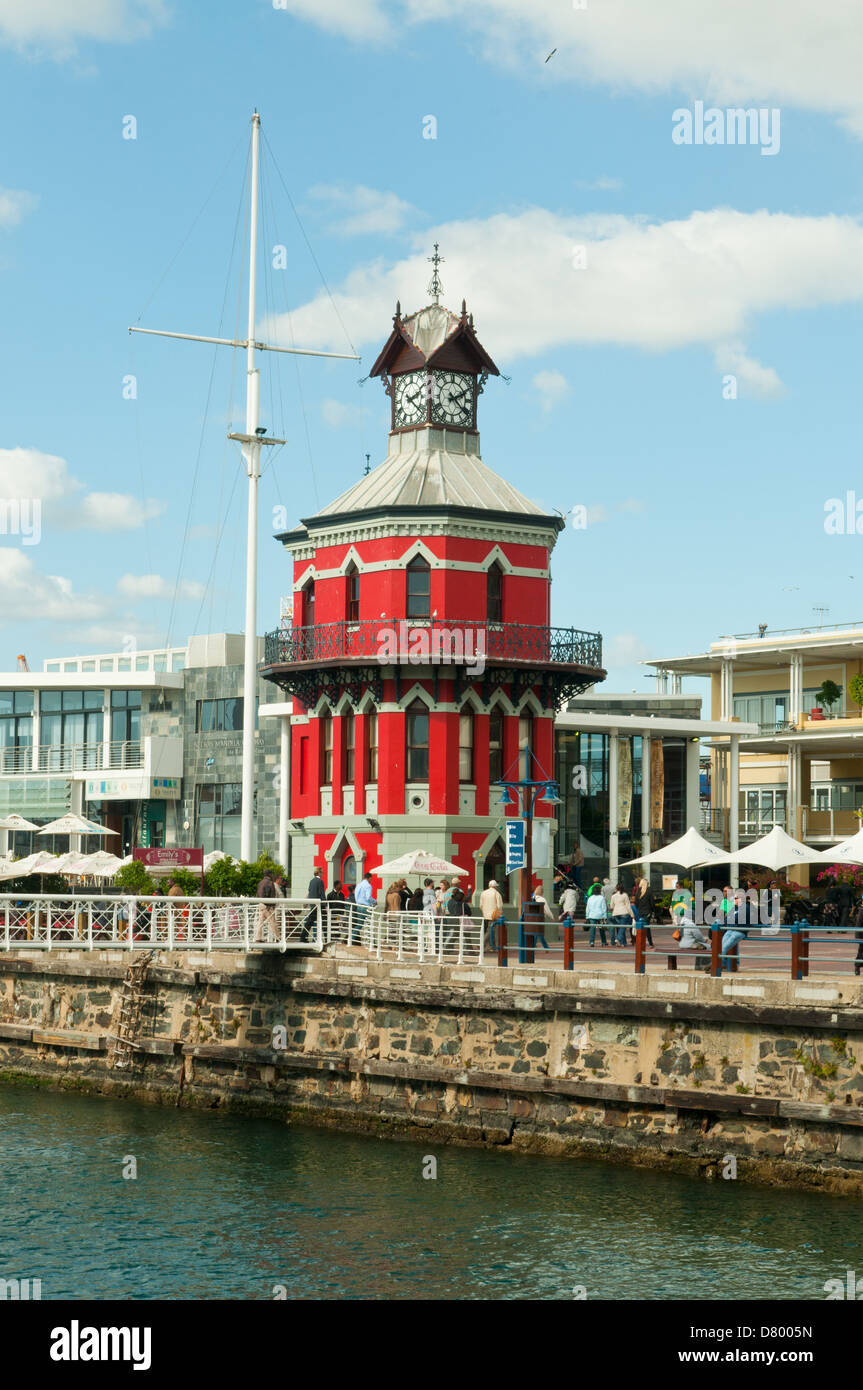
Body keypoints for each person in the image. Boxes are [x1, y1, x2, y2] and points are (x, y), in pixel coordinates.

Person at [721, 889, 757, 969]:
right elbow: (726, 919)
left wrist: (731, 920)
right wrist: (731, 920)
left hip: (740, 931)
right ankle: (721, 963)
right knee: (721, 946)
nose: (734, 900)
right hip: (730, 929)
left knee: (724, 947)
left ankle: (719, 965)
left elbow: (738, 919)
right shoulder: (734, 907)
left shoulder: (745, 907)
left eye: (735, 898)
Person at [302, 865, 326, 941]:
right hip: (318, 905)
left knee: (309, 922)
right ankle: (327, 938)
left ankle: (303, 937)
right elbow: (322, 894)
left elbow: (310, 892)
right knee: (324, 922)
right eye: (322, 872)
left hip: (312, 904)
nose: (323, 874)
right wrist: (325, 905)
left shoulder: (312, 881)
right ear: (319, 873)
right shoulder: (320, 881)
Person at [480, 878, 505, 949]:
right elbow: (499, 906)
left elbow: (481, 905)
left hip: (485, 915)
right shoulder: (497, 893)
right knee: (490, 930)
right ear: (495, 886)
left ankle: (492, 946)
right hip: (493, 915)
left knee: (490, 930)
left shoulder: (483, 893)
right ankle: (482, 944)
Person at [631, 875, 655, 947]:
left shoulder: (638, 891)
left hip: (640, 912)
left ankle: (640, 942)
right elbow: (652, 902)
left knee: (640, 927)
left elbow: (636, 903)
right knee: (647, 927)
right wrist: (652, 910)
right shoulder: (649, 890)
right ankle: (650, 943)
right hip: (647, 912)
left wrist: (638, 909)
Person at [256, 869, 277, 943]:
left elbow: (258, 894)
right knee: (272, 922)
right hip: (268, 905)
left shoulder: (260, 882)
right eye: (271, 873)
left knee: (260, 922)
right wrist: (272, 905)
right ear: (269, 874)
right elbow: (272, 895)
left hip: (261, 904)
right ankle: (278, 937)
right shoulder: (270, 883)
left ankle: (258, 938)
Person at [609, 883, 633, 947]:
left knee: (620, 928)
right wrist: (632, 914)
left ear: (616, 888)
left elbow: (611, 906)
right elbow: (628, 906)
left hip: (616, 914)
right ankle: (618, 938)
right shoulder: (625, 895)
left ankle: (623, 943)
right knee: (622, 928)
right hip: (624, 913)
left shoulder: (613, 896)